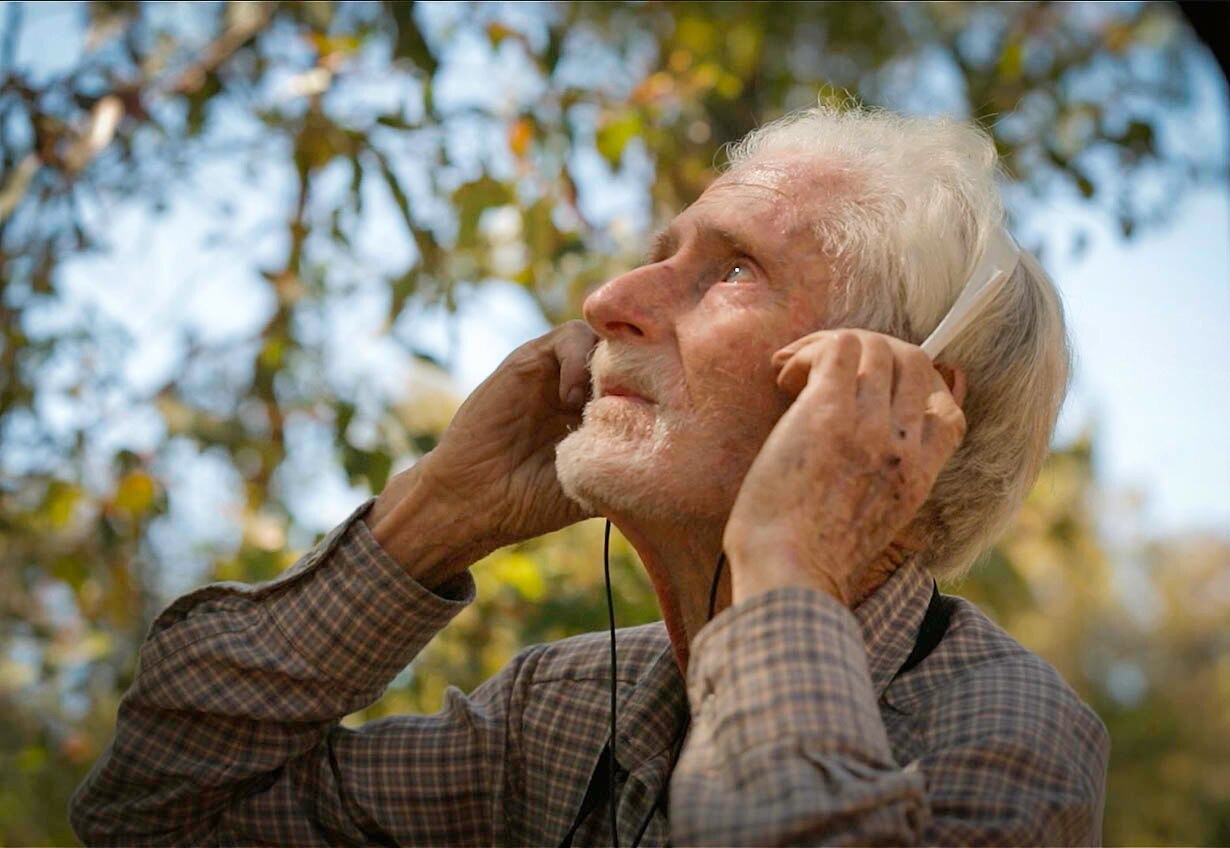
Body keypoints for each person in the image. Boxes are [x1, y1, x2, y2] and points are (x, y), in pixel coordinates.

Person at [70, 105, 1108, 847]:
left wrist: (784, 558)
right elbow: (156, 809)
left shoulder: (1005, 733)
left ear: (899, 404)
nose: (610, 294)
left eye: (734, 268)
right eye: (662, 252)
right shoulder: (556, 709)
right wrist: (436, 513)